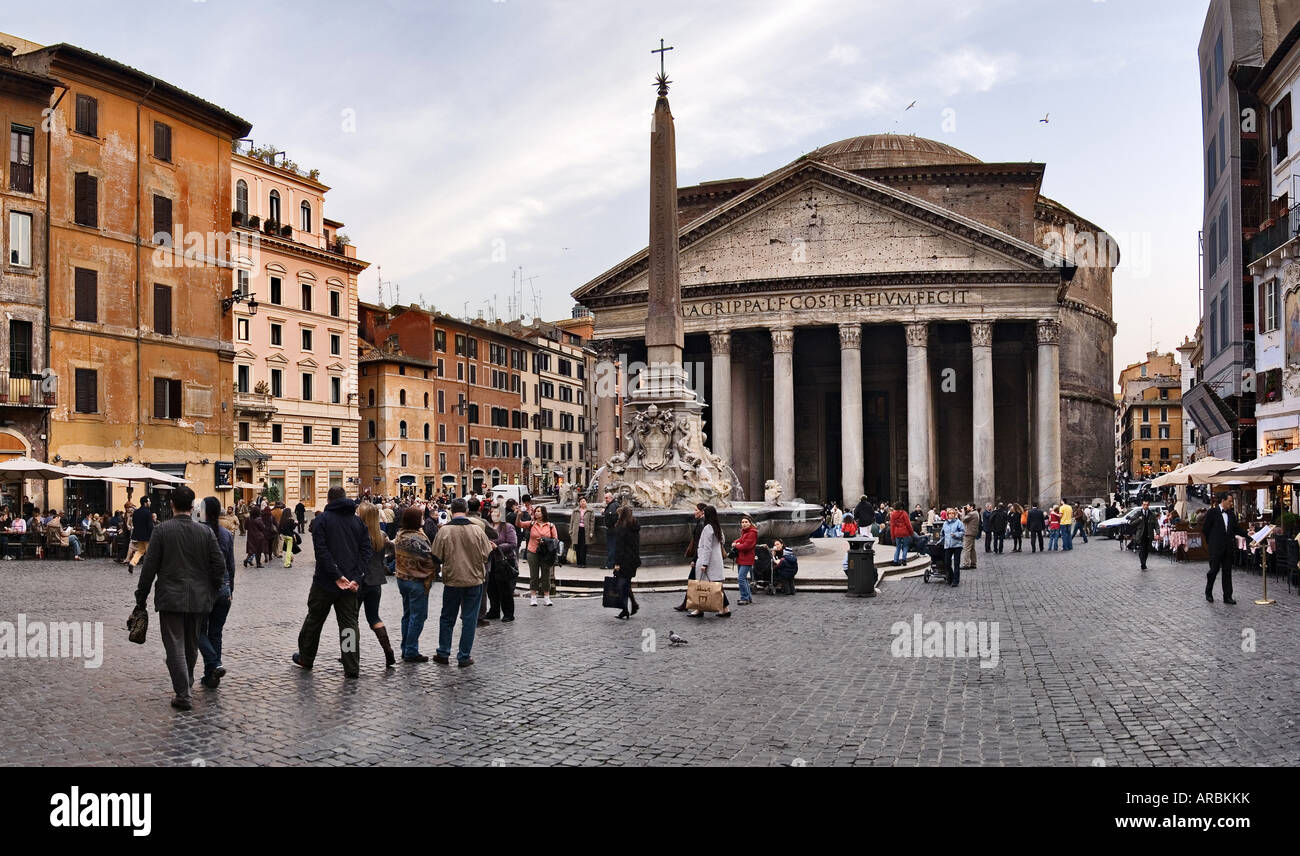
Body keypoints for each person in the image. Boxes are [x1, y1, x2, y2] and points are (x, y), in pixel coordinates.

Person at [133, 486, 226, 711]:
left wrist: (141, 597)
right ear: (193, 506)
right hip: (198, 599)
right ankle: (188, 684)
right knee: (191, 645)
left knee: (175, 646)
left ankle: (184, 694)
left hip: (170, 598)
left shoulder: (162, 531)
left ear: (171, 505)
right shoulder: (206, 532)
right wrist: (211, 592)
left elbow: (149, 569)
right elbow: (219, 566)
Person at [294, 487, 371, 678]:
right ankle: (351, 666)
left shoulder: (322, 520)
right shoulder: (358, 522)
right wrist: (356, 577)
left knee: (314, 620)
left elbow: (322, 552)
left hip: (325, 582)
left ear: (328, 500)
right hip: (350, 584)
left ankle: (306, 657)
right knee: (349, 626)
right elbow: (366, 552)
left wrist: (336, 575)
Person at [429, 498, 495, 667]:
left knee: (447, 617)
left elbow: (436, 556)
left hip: (452, 579)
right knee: (469, 619)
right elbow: (486, 555)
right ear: (466, 510)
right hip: (474, 579)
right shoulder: (478, 531)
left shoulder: (444, 531)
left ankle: (443, 652)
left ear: (451, 511)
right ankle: (464, 656)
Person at [197, 497, 235, 689]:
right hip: (224, 589)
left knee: (197, 631)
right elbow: (231, 565)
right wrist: (230, 589)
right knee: (216, 634)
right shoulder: (226, 534)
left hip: (205, 590)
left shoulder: (199, 533)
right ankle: (211, 676)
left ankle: (214, 664)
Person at [393, 505, 435, 663]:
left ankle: (405, 647)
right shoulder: (418, 538)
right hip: (416, 581)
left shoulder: (400, 534)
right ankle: (411, 650)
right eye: (421, 517)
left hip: (402, 579)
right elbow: (428, 560)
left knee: (407, 615)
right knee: (418, 616)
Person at [356, 502, 396, 667]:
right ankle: (388, 652)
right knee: (374, 618)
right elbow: (392, 551)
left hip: (358, 581)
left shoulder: (356, 535)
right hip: (375, 582)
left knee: (350, 619)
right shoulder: (382, 535)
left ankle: (349, 655)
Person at [1201, 492, 1247, 604]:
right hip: (1215, 548)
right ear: (1223, 500)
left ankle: (1227, 596)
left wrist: (1248, 534)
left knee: (1227, 572)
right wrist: (1211, 543)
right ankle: (1208, 592)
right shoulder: (1212, 512)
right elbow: (1205, 529)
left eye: (1232, 501)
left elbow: (1236, 528)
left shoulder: (1231, 514)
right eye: (1230, 501)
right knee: (1213, 570)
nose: (1231, 503)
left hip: (1228, 548)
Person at [688, 505, 731, 618]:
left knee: (702, 586)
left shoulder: (707, 528)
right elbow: (722, 541)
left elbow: (707, 547)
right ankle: (724, 609)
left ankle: (699, 609)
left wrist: (704, 563)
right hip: (716, 560)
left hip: (708, 561)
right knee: (716, 587)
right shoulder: (717, 527)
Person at [485, 507, 519, 622]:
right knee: (491, 588)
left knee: (505, 588)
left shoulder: (508, 527)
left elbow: (513, 543)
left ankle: (508, 613)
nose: (494, 514)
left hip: (504, 560)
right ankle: (494, 610)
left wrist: (497, 547)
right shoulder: (488, 527)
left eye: (497, 512)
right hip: (491, 561)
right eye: (493, 512)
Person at [674, 503, 709, 612]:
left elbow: (699, 544)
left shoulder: (701, 524)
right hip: (701, 557)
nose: (694, 512)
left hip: (700, 558)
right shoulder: (702, 522)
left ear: (702, 511)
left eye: (696, 510)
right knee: (698, 581)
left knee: (694, 581)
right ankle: (686, 604)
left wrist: (695, 559)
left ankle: (721, 605)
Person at [610, 505, 642, 619]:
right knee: (626, 583)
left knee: (622, 585)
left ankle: (626, 609)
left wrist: (617, 563)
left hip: (624, 560)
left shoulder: (621, 527)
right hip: (633, 560)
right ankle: (632, 605)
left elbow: (619, 547)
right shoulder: (635, 526)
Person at [524, 505, 559, 607]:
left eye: (539, 511)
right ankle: (533, 597)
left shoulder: (551, 525)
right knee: (533, 575)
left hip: (546, 553)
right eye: (535, 511)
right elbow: (519, 524)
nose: (536, 513)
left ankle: (546, 597)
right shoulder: (532, 524)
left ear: (543, 513)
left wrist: (545, 541)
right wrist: (519, 515)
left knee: (546, 575)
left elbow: (555, 540)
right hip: (533, 551)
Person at [731, 515, 758, 606]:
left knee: (741, 578)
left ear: (750, 523)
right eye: (742, 522)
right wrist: (736, 541)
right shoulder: (745, 532)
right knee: (744, 579)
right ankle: (748, 597)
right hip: (741, 558)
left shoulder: (752, 532)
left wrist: (736, 545)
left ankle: (744, 598)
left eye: (746, 522)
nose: (744, 524)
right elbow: (741, 540)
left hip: (747, 559)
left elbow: (746, 546)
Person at [126, 496, 154, 573]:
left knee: (140, 551)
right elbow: (150, 526)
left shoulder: (136, 512)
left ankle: (132, 563)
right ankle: (150, 569)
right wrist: (153, 534)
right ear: (145, 503)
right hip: (147, 536)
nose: (150, 502)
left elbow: (134, 524)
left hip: (138, 536)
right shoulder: (148, 513)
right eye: (149, 501)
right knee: (150, 553)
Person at [1131, 499, 1157, 572]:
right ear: (1142, 505)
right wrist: (1139, 519)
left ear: (1149, 505)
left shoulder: (1151, 514)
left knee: (1146, 550)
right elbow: (1131, 522)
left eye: (1147, 505)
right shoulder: (1138, 514)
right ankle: (1143, 563)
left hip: (1149, 535)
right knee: (1142, 549)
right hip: (1141, 534)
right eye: (1144, 505)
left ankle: (1144, 562)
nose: (1145, 506)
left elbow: (1156, 524)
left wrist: (1157, 533)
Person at [942, 508, 965, 587]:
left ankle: (956, 580)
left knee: (956, 564)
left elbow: (962, 532)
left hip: (957, 545)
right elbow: (943, 534)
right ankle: (951, 577)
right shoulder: (945, 523)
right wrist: (939, 542)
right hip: (948, 545)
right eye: (949, 513)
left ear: (955, 515)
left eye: (952, 513)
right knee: (947, 563)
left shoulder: (959, 523)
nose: (951, 514)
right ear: (947, 515)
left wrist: (956, 534)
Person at [569, 497, 593, 568]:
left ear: (586, 502)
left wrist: (591, 531)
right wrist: (570, 530)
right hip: (577, 530)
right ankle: (578, 562)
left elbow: (592, 522)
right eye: (581, 501)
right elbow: (572, 521)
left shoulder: (590, 511)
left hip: (585, 530)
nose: (583, 502)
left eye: (584, 501)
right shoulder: (575, 510)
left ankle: (583, 563)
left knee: (584, 546)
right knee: (577, 546)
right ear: (579, 503)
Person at [601, 491, 619, 569]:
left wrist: (605, 513)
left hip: (612, 529)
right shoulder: (613, 505)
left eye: (607, 498)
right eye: (605, 498)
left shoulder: (612, 506)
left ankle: (610, 564)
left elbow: (612, 517)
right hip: (613, 529)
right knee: (612, 547)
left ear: (611, 498)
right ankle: (612, 563)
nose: (605, 500)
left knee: (611, 547)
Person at [960, 504, 980, 570]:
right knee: (972, 548)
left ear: (971, 507)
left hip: (969, 533)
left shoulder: (972, 514)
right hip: (972, 533)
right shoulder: (975, 513)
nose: (966, 507)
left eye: (968, 506)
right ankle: (973, 563)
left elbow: (963, 519)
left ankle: (966, 564)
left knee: (967, 548)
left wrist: (963, 511)